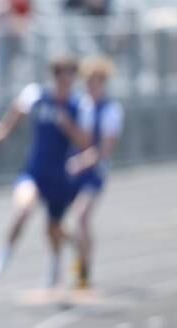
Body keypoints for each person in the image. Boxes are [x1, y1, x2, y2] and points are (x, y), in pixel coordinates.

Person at [0, 55, 93, 288]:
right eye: (61, 76)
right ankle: (1, 259)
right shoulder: (37, 96)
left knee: (54, 229)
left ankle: (57, 263)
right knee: (23, 208)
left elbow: (85, 143)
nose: (65, 81)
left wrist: (68, 126)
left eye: (70, 76)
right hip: (35, 171)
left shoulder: (80, 105)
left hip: (60, 177)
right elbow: (16, 113)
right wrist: (3, 131)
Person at [66, 55, 123, 288]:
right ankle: (81, 260)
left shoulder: (111, 110)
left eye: (95, 80)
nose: (90, 84)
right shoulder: (81, 105)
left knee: (80, 216)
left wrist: (81, 162)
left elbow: (104, 150)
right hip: (76, 168)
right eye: (88, 80)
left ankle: (84, 267)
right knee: (66, 222)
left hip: (93, 172)